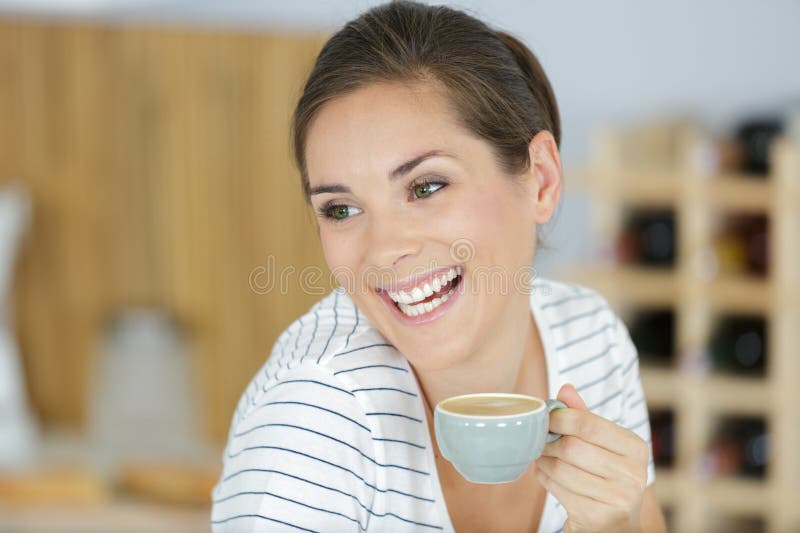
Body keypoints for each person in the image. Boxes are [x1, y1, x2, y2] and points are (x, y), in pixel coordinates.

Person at [211, 1, 668, 531]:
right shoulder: (312, 421)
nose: (383, 250)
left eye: (426, 186)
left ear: (540, 179)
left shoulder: (591, 340)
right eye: (341, 209)